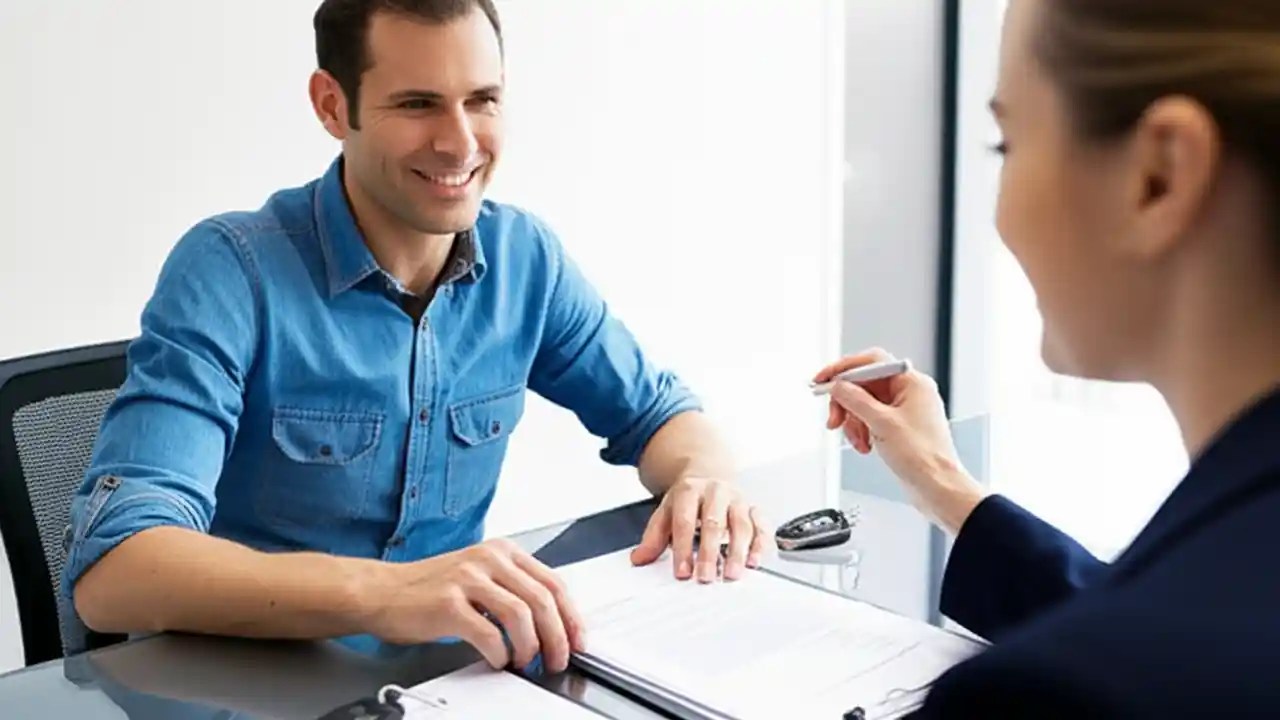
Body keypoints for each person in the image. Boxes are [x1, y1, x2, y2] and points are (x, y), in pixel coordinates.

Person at [61, 0, 768, 675]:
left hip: (448, 684)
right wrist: (386, 594)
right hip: (244, 691)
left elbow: (661, 415)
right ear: (333, 107)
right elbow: (114, 568)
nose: (460, 142)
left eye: (482, 100)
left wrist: (704, 477)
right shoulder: (230, 271)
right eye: (418, 103)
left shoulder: (526, 260)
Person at [816, 0, 1280, 716]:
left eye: (1008, 144)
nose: (998, 214)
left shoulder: (1049, 696)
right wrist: (947, 487)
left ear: (1159, 176)